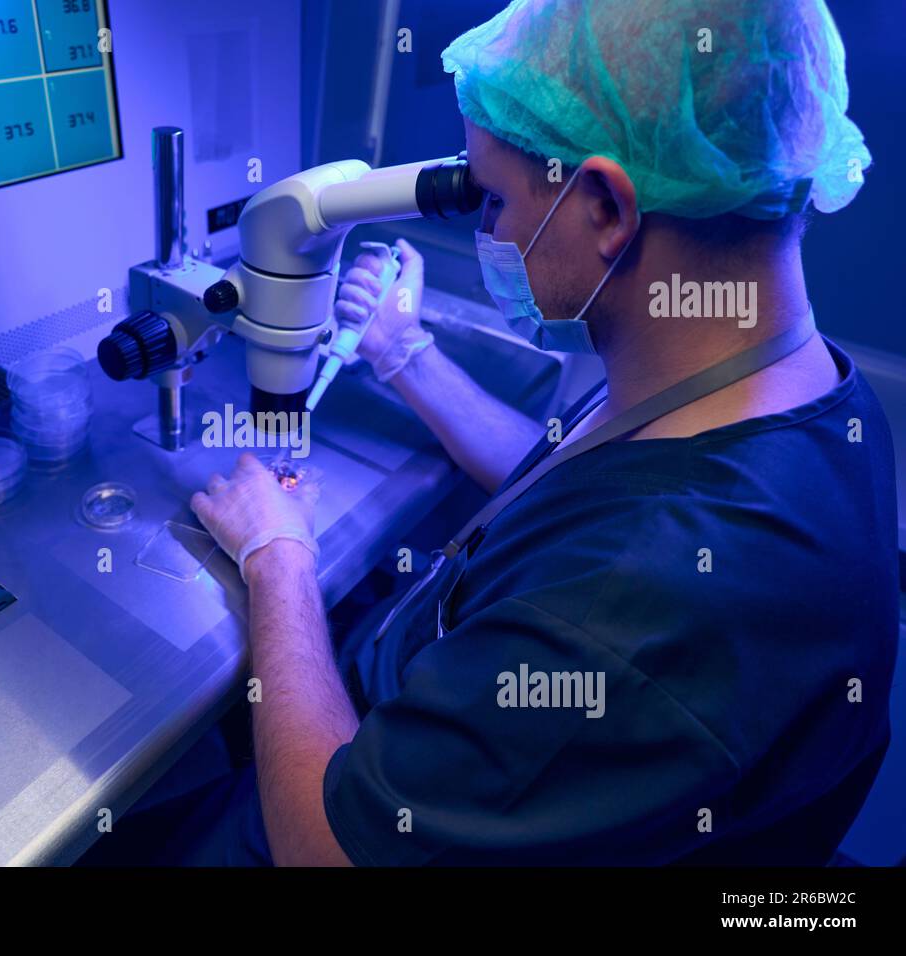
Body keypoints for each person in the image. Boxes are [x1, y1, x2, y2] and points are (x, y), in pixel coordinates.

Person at [178, 0, 899, 866]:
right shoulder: (786, 381)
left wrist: (278, 560)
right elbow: (575, 487)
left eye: (493, 199)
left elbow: (324, 851)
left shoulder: (641, 606)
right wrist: (406, 353)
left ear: (604, 207)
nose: (488, 229)